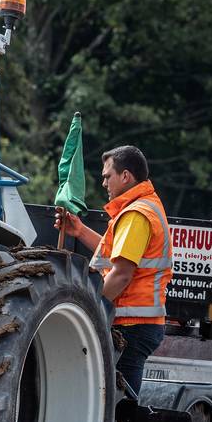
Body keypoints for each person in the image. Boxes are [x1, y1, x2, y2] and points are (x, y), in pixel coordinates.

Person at [55, 145, 173, 395]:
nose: (104, 183)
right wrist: (80, 230)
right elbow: (120, 256)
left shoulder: (136, 214)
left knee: (120, 408)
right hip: (136, 324)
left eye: (108, 176)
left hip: (132, 325)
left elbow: (121, 274)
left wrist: (92, 310)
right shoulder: (141, 208)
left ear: (126, 176)